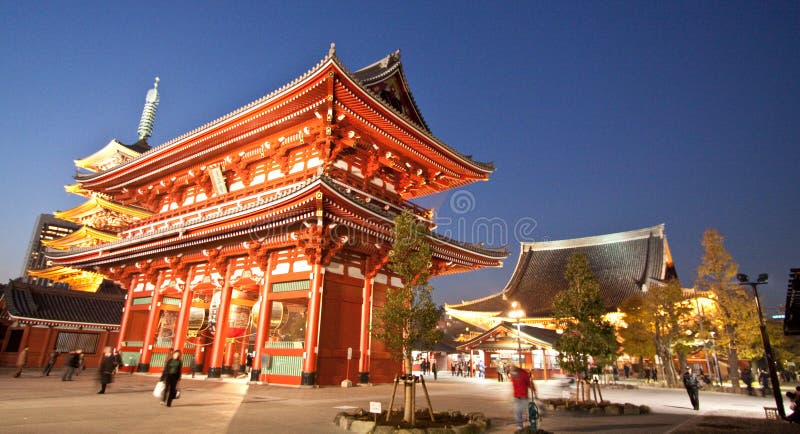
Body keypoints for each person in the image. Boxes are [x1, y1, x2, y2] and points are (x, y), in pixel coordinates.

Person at [510, 364, 538, 431]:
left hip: (524, 397)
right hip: (516, 397)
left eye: (512, 372)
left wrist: (535, 392)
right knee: (517, 412)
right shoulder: (513, 375)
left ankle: (533, 425)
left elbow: (529, 384)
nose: (512, 375)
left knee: (528, 412)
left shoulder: (524, 374)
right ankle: (519, 427)